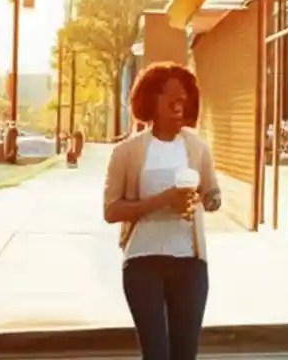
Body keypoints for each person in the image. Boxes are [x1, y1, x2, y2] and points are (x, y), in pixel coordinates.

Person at [103, 62, 222, 360]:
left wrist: (210, 201)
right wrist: (163, 200)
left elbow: (212, 192)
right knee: (156, 354)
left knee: (185, 354)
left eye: (183, 100)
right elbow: (111, 210)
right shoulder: (126, 153)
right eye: (171, 100)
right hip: (143, 262)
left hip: (190, 264)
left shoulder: (197, 148)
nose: (178, 107)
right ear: (151, 101)